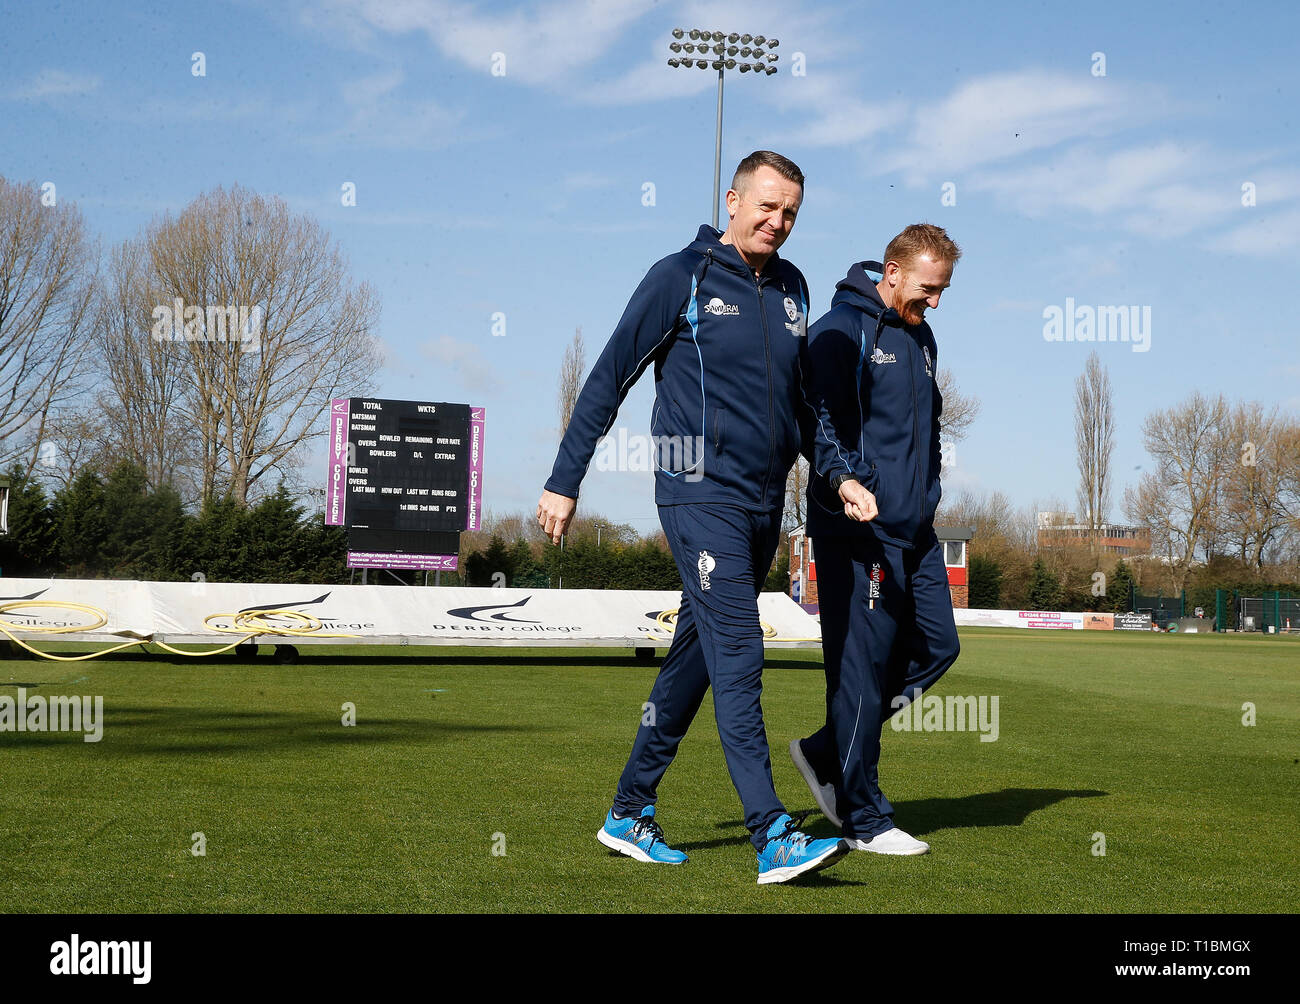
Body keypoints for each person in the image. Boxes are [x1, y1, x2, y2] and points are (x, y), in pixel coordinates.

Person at [537, 151, 864, 884]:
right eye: (767, 206)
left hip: (762, 504)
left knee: (696, 660)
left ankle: (629, 810)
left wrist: (838, 474)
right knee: (741, 652)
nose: (777, 222)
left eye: (791, 214)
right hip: (696, 490)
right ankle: (772, 833)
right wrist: (566, 480)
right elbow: (609, 376)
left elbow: (807, 403)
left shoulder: (793, 288)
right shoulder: (679, 275)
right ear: (732, 198)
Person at [790, 224, 963, 856]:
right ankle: (863, 816)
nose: (935, 302)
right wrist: (848, 487)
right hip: (856, 529)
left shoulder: (922, 340)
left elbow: (932, 427)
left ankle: (827, 748)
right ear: (892, 271)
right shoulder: (843, 330)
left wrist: (930, 492)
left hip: (914, 530)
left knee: (939, 648)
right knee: (860, 671)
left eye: (943, 291)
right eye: (927, 288)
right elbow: (819, 420)